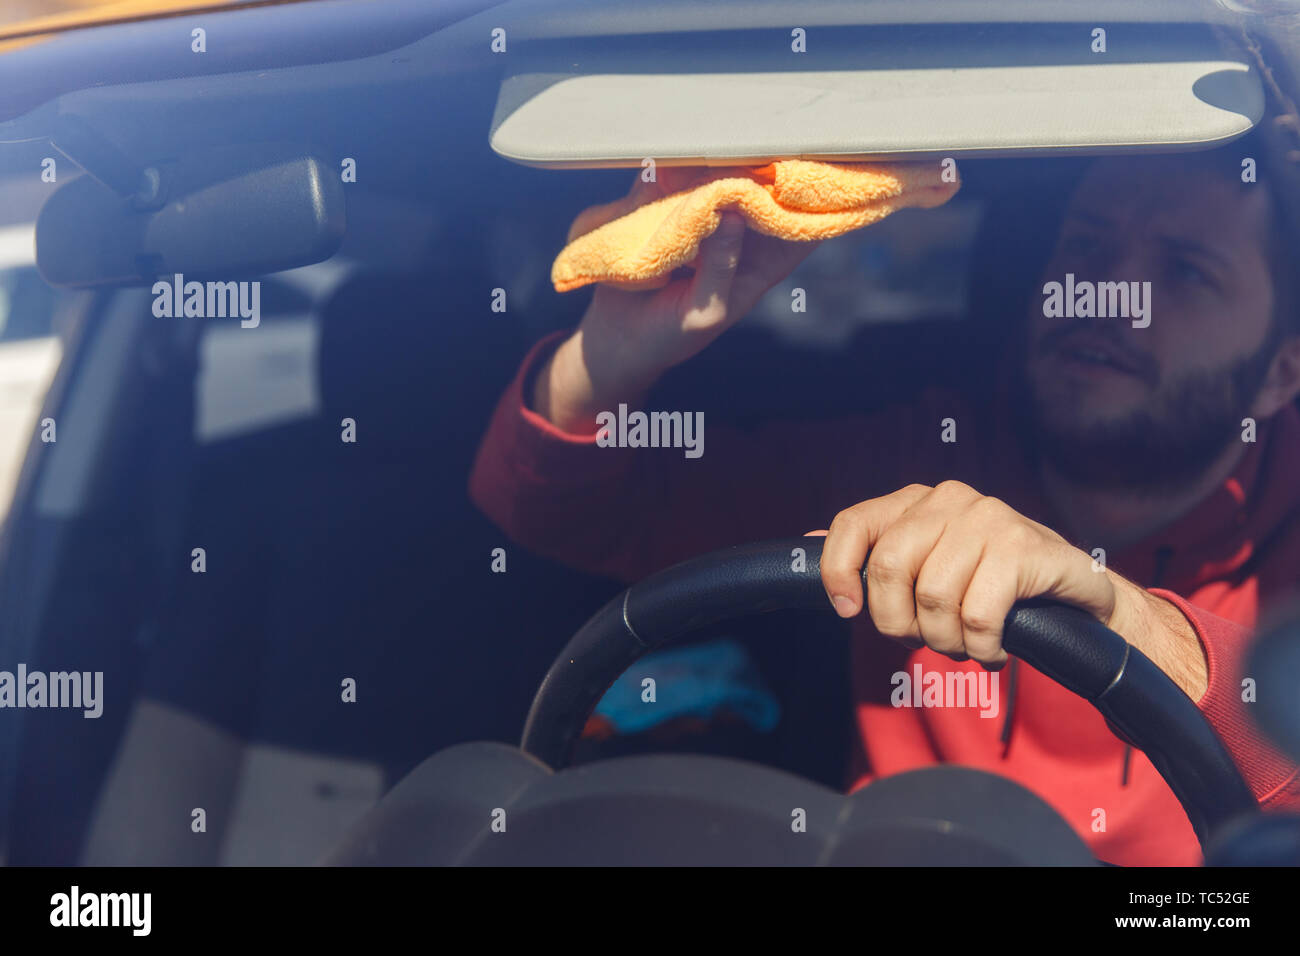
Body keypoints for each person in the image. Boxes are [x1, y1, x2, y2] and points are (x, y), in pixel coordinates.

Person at [469, 141, 1300, 866]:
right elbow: (563, 511)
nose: (1110, 292)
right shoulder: (917, 460)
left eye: (1186, 270)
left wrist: (1130, 622)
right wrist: (607, 361)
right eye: (1086, 243)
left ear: (1280, 375)